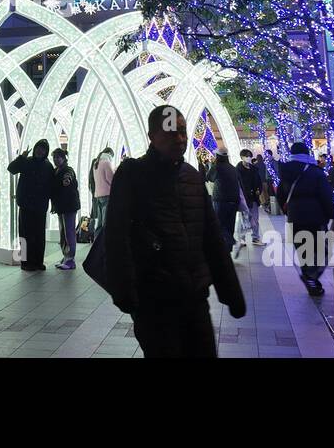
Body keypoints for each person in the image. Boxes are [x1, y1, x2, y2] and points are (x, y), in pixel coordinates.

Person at [103, 105, 245, 358]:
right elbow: (116, 236)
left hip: (195, 298)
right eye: (170, 133)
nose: (179, 139)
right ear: (152, 136)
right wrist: (124, 291)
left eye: (182, 131)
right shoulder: (133, 174)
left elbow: (211, 237)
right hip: (155, 301)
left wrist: (230, 291)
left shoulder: (191, 176)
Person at [276, 141, 334, 296]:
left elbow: (280, 195)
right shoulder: (315, 172)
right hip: (316, 217)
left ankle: (311, 280)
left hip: (295, 217)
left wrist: (289, 211)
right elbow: (326, 195)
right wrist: (330, 214)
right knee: (322, 250)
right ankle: (311, 277)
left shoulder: (286, 172)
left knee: (303, 250)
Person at [9, 140, 55, 271]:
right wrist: (21, 157)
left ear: (46, 152)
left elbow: (51, 186)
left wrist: (53, 204)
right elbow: (11, 169)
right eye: (38, 148)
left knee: (39, 235)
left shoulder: (48, 166)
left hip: (40, 206)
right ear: (34, 149)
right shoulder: (26, 161)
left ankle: (38, 262)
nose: (40, 151)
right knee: (25, 235)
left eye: (43, 149)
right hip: (26, 205)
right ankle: (25, 263)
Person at [208, 145, 246, 256]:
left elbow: (209, 177)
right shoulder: (232, 168)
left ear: (217, 156)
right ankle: (228, 250)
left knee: (220, 225)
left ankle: (232, 242)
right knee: (230, 225)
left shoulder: (217, 167)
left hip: (221, 200)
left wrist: (211, 165)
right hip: (234, 201)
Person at [50, 148, 80, 269]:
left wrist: (65, 181)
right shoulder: (56, 170)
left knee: (69, 232)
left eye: (58, 157)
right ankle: (66, 256)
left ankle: (70, 259)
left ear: (64, 158)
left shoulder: (67, 170)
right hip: (61, 207)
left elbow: (67, 180)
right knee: (63, 233)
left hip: (69, 206)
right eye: (54, 157)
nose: (56, 160)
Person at [237, 148, 264, 247]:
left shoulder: (254, 169)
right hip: (244, 198)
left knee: (255, 219)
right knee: (244, 219)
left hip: (254, 197)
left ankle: (255, 238)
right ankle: (242, 239)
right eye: (246, 156)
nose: (248, 158)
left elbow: (258, 181)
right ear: (242, 157)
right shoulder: (238, 170)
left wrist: (259, 190)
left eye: (249, 156)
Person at [91, 148, 115, 238]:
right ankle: (104, 243)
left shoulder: (96, 163)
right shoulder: (106, 163)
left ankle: (96, 242)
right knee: (106, 222)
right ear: (109, 154)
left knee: (100, 222)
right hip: (107, 195)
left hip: (98, 195)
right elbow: (111, 179)